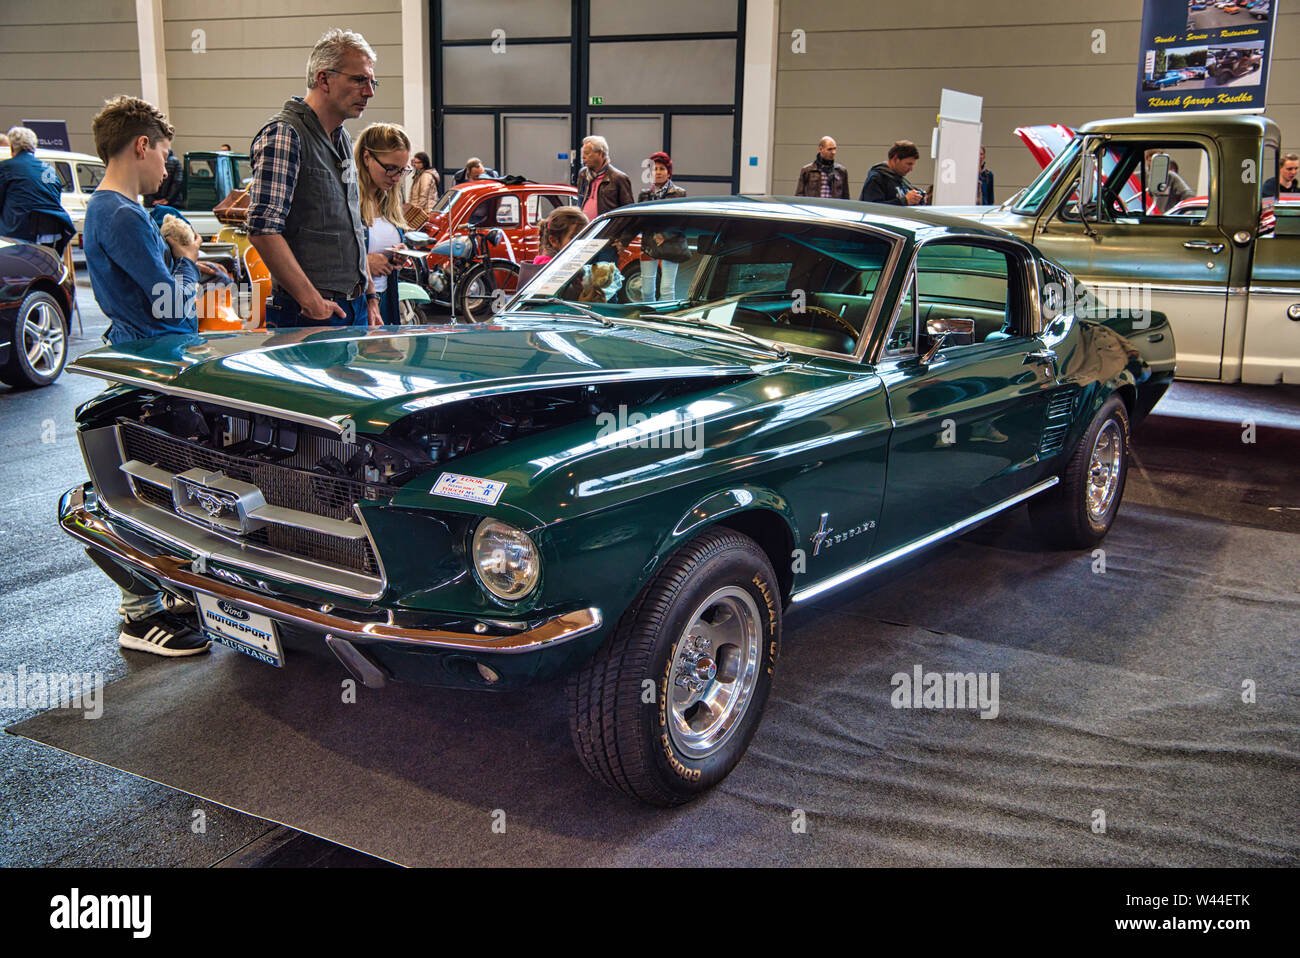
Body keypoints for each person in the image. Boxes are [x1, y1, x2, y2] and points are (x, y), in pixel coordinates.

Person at [82, 95, 209, 657]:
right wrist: (186, 257)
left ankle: (163, 597)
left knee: (148, 484)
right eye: (164, 153)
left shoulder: (103, 208)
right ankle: (142, 612)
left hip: (136, 358)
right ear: (141, 145)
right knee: (147, 489)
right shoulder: (125, 215)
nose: (166, 166)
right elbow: (169, 306)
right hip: (153, 364)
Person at [247, 28, 381, 328]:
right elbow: (262, 228)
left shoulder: (342, 137)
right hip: (311, 313)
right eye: (359, 79)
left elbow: (352, 225)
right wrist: (310, 300)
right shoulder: (285, 134)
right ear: (324, 79)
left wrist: (370, 297)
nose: (369, 91)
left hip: (352, 307)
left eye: (372, 82)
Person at [355, 122, 412, 325]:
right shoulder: (347, 202)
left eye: (402, 170)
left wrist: (400, 252)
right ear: (367, 157)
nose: (396, 178)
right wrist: (365, 263)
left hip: (386, 298)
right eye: (390, 169)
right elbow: (324, 254)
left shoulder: (387, 199)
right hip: (358, 304)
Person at [0, 126, 75, 251]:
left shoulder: (6, 167)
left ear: (12, 147)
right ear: (34, 147)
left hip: (18, 232)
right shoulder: (49, 169)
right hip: (52, 233)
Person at [632, 151, 687, 301]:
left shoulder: (679, 193)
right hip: (649, 244)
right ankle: (648, 320)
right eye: (655, 169)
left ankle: (666, 320)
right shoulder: (644, 195)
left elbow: (681, 221)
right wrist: (623, 240)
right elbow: (639, 221)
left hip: (671, 244)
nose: (658, 172)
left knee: (667, 290)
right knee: (647, 290)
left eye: (662, 169)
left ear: (669, 173)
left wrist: (665, 235)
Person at [860, 140, 924, 206]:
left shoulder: (901, 181)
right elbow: (872, 208)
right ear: (895, 159)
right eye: (909, 164)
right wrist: (904, 201)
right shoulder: (876, 179)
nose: (911, 169)